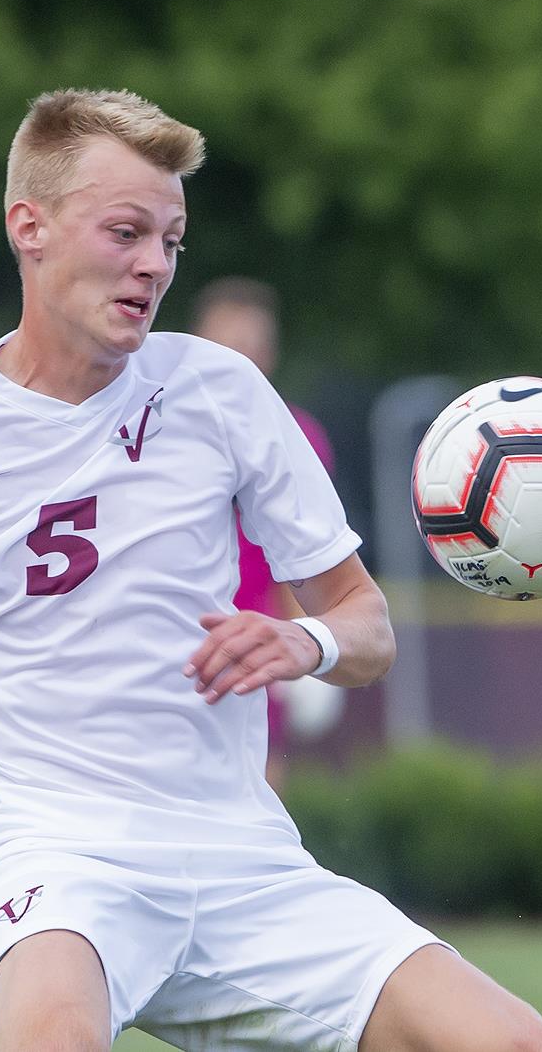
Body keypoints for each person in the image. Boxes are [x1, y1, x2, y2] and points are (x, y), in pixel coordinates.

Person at [0, 89, 542, 1052]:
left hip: (244, 862)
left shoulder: (218, 389)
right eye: (127, 231)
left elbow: (366, 626)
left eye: (171, 242)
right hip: (57, 862)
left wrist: (300, 640)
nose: (153, 265)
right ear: (31, 227)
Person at [190, 276, 338, 790]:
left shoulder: (296, 437)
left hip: (254, 649)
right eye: (228, 347)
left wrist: (315, 635)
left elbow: (306, 561)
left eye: (251, 348)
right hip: (164, 647)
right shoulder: (152, 431)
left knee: (257, 810)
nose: (240, 361)